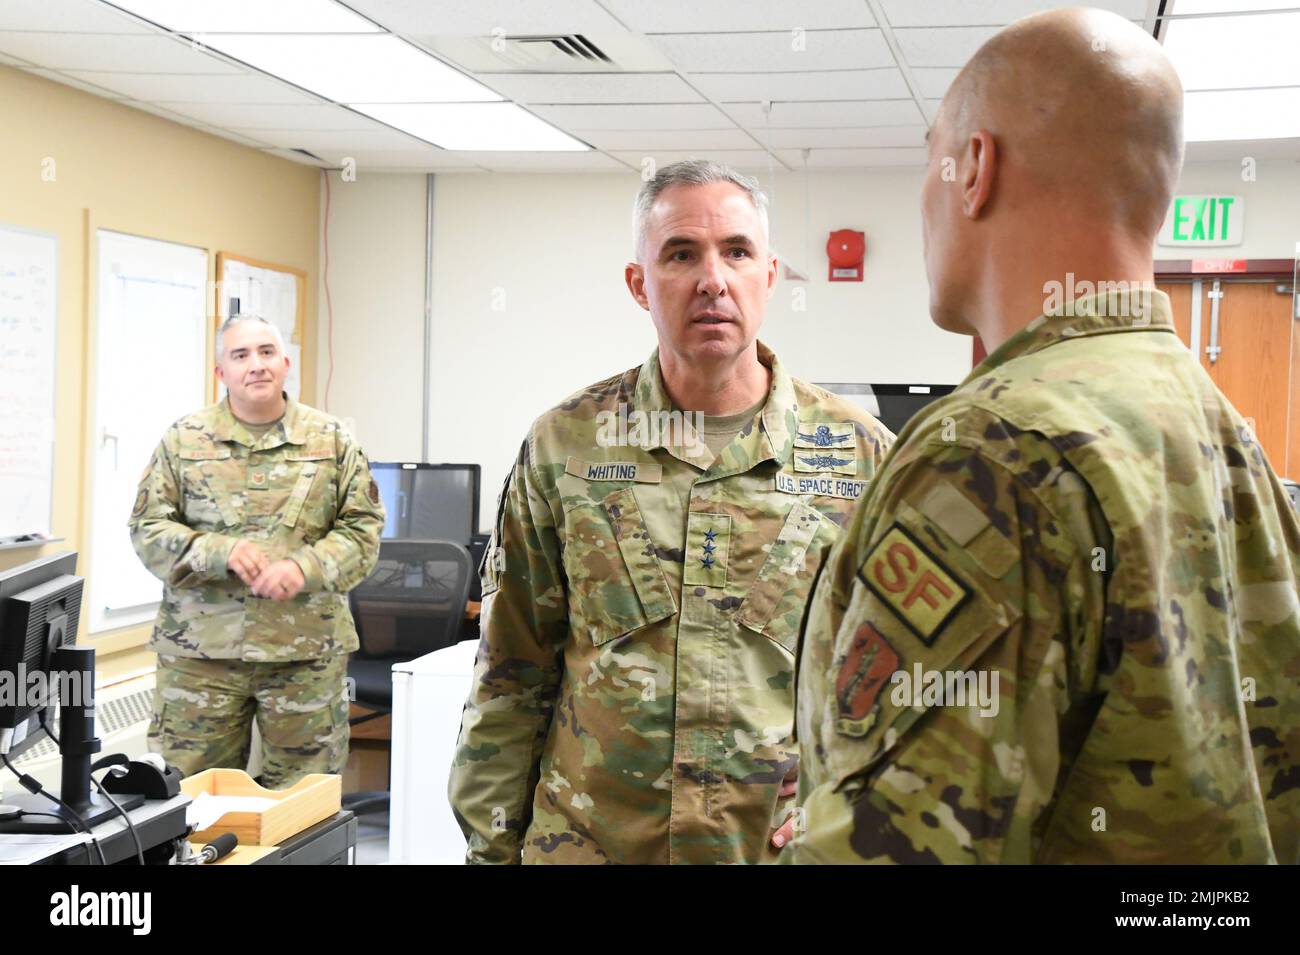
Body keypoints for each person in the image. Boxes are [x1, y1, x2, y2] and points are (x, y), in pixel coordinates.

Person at [790, 7, 1300, 864]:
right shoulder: (1221, 429)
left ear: (975, 169)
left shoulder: (992, 453)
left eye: (928, 160)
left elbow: (895, 849)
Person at [449, 160, 895, 863]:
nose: (712, 279)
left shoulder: (861, 454)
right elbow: (513, 671)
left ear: (770, 276)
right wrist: (491, 851)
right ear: (640, 283)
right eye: (682, 254)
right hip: (591, 844)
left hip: (772, 850)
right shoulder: (566, 445)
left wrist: (851, 797)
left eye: (737, 252)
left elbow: (903, 674)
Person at [129, 314, 384, 788]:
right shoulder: (183, 440)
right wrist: (214, 551)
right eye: (240, 355)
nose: (256, 365)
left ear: (286, 363)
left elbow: (363, 530)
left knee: (304, 801)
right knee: (192, 797)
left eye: (267, 352)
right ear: (221, 372)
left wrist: (306, 567)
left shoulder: (331, 439)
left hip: (304, 654)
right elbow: (147, 529)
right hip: (201, 658)